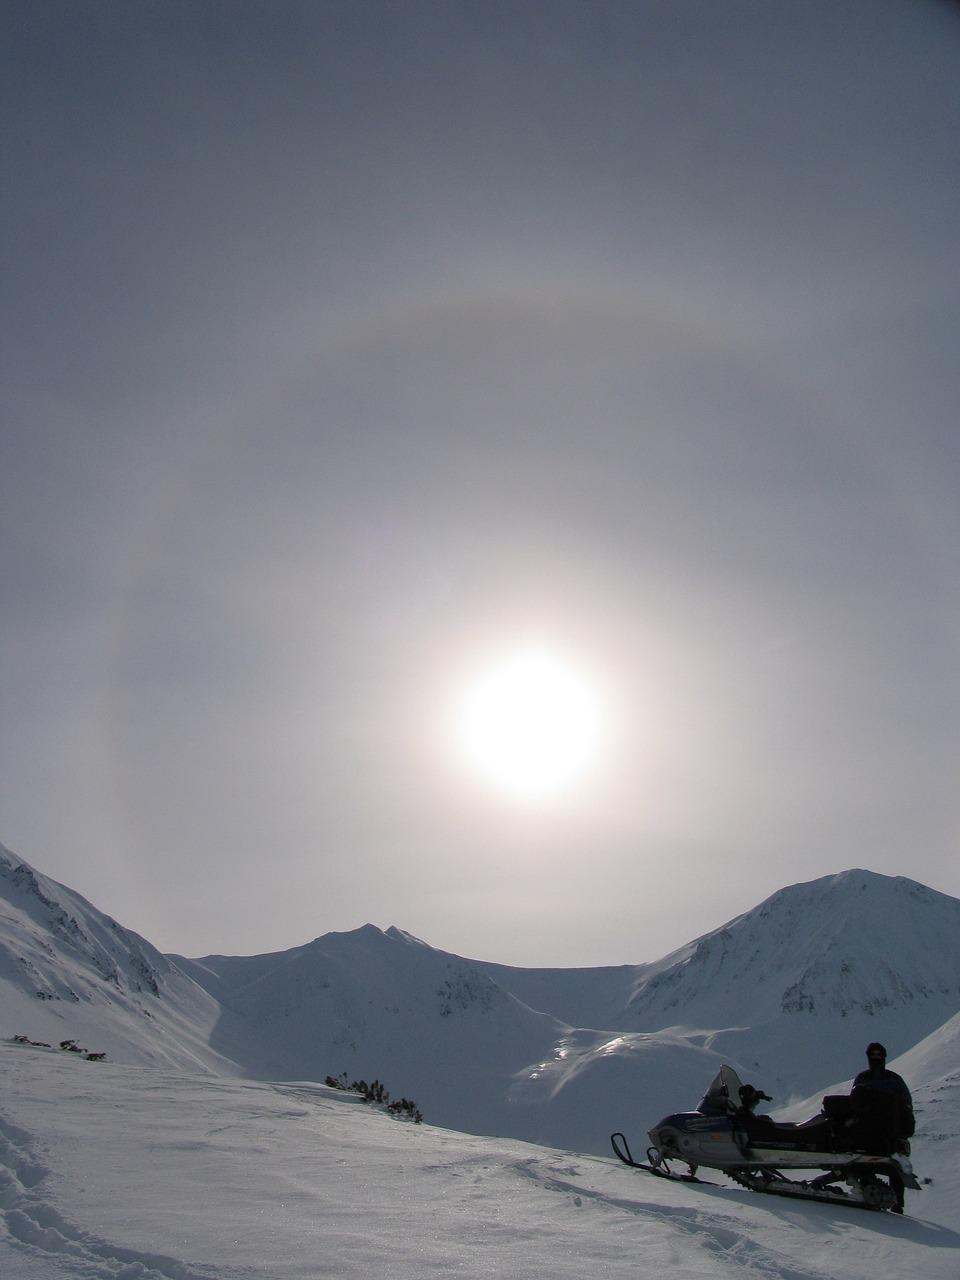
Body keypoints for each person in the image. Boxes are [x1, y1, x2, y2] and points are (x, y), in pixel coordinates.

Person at [851, 1042, 914, 1212]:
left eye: (879, 1055)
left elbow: (906, 1106)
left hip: (891, 1134)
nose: (876, 1058)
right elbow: (854, 1105)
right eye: (873, 1055)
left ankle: (897, 1202)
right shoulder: (863, 1079)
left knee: (896, 1166)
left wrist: (905, 1131)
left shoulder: (894, 1080)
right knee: (862, 1164)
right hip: (867, 1134)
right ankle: (868, 1193)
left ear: (884, 1057)